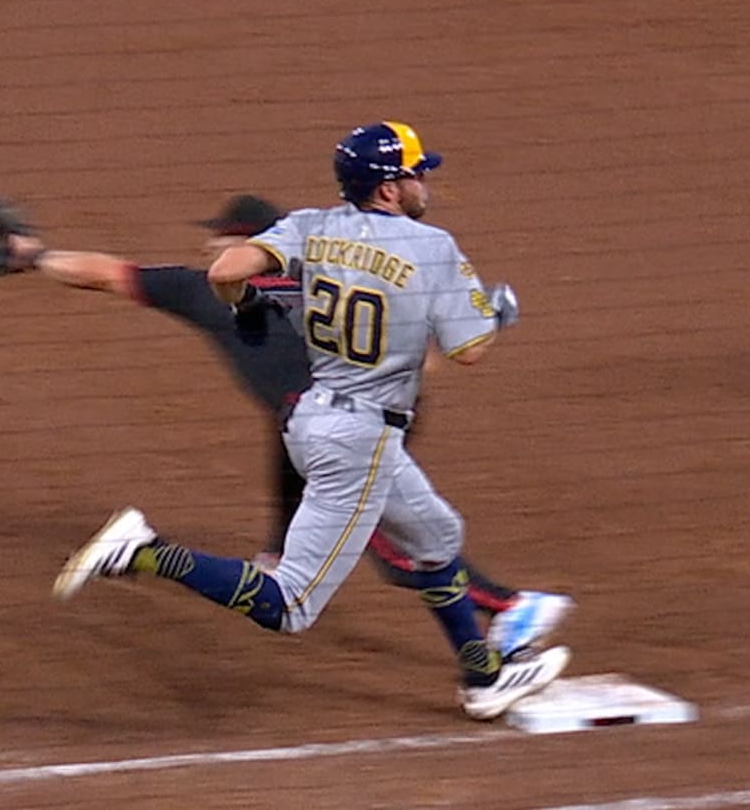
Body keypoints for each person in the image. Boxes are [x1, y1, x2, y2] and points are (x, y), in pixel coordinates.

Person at [47, 122, 570, 719]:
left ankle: (484, 677)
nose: (425, 181)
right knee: (289, 604)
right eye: (416, 172)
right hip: (362, 438)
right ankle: (145, 552)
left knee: (437, 538)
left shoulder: (310, 226)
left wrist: (241, 307)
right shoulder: (434, 249)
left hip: (312, 418)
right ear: (390, 189)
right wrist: (493, 313)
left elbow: (224, 274)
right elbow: (468, 350)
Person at [0, 194, 572, 658]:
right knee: (312, 479)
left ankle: (512, 609)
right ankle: (478, 637)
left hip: (341, 430)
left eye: (220, 240)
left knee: (391, 546)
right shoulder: (331, 274)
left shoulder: (211, 289)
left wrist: (33, 255)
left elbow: (105, 273)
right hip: (333, 416)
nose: (210, 251)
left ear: (244, 243)